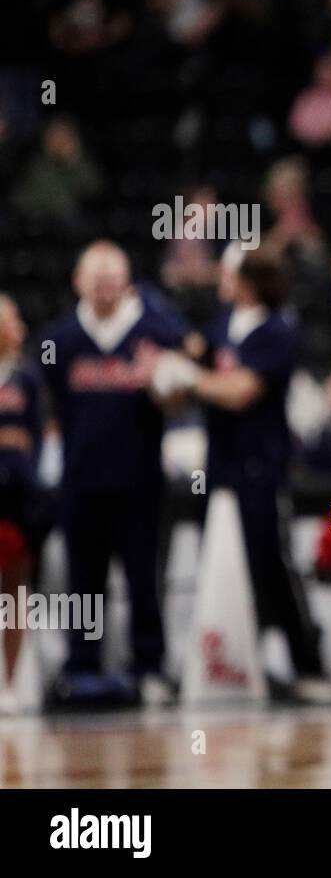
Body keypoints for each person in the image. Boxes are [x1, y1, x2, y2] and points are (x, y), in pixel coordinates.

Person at [160, 243, 331, 700]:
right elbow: (199, 368)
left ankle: (305, 663)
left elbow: (240, 392)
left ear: (252, 282)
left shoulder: (278, 330)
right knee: (217, 557)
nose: (223, 277)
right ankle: (232, 662)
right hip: (220, 463)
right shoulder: (223, 326)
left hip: (261, 466)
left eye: (233, 272)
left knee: (270, 560)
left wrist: (190, 377)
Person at [40, 241, 184, 705]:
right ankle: (82, 666)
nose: (104, 290)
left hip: (140, 481)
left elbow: (186, 361)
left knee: (144, 578)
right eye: (95, 280)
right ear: (78, 282)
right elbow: (49, 402)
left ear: (127, 284)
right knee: (84, 581)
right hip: (81, 480)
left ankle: (150, 666)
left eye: (113, 280)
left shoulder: (153, 332)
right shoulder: (59, 340)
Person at [0, 295, 44, 713]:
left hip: (17, 497)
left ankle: (10, 685)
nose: (20, 328)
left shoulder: (27, 377)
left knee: (15, 589)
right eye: (11, 320)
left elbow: (36, 436)